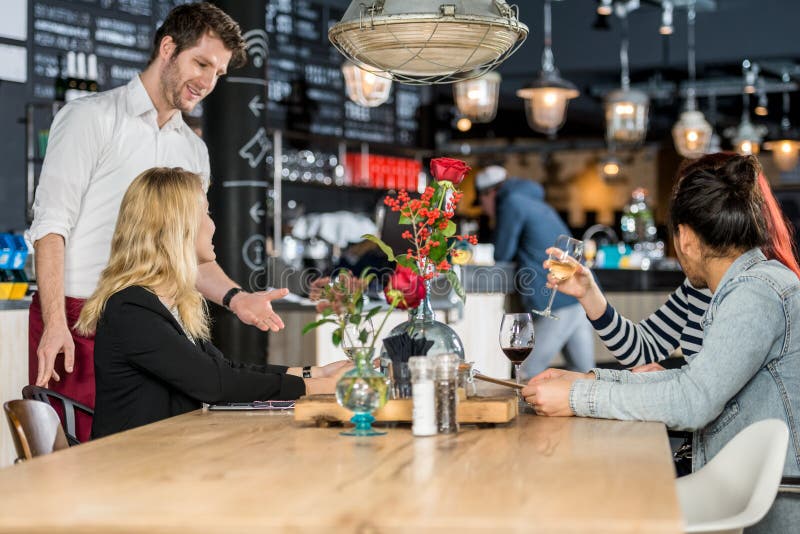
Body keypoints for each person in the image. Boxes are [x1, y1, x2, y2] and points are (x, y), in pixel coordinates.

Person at [27, 3, 288, 441]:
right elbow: (51, 226)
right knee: (78, 466)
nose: (207, 82)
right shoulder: (91, 118)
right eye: (200, 63)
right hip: (76, 319)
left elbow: (192, 255)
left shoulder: (193, 151)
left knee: (152, 456)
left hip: (151, 327)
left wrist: (237, 298)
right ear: (168, 48)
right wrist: (55, 323)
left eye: (218, 73)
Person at [522, 154, 800, 533]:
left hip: (771, 495)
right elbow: (656, 358)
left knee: (585, 495)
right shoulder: (723, 285)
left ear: (685, 236)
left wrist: (577, 395)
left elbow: (692, 398)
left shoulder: (755, 293)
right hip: (720, 468)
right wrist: (586, 374)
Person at [74, 167, 349, 439]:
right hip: (128, 467)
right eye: (205, 213)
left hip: (163, 457)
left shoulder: (170, 305)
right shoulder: (131, 309)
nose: (213, 225)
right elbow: (214, 383)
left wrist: (316, 372)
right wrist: (319, 387)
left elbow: (225, 370)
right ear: (176, 226)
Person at [553, 153, 800, 372]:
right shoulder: (700, 285)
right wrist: (589, 295)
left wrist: (664, 383)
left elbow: (709, 393)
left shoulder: (756, 290)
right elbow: (643, 349)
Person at [475, 165, 594, 379]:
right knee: (586, 374)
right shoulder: (532, 200)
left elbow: (501, 253)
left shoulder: (510, 202)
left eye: (481, 203)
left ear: (489, 193)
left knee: (526, 372)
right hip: (577, 298)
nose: (484, 210)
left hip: (555, 301)